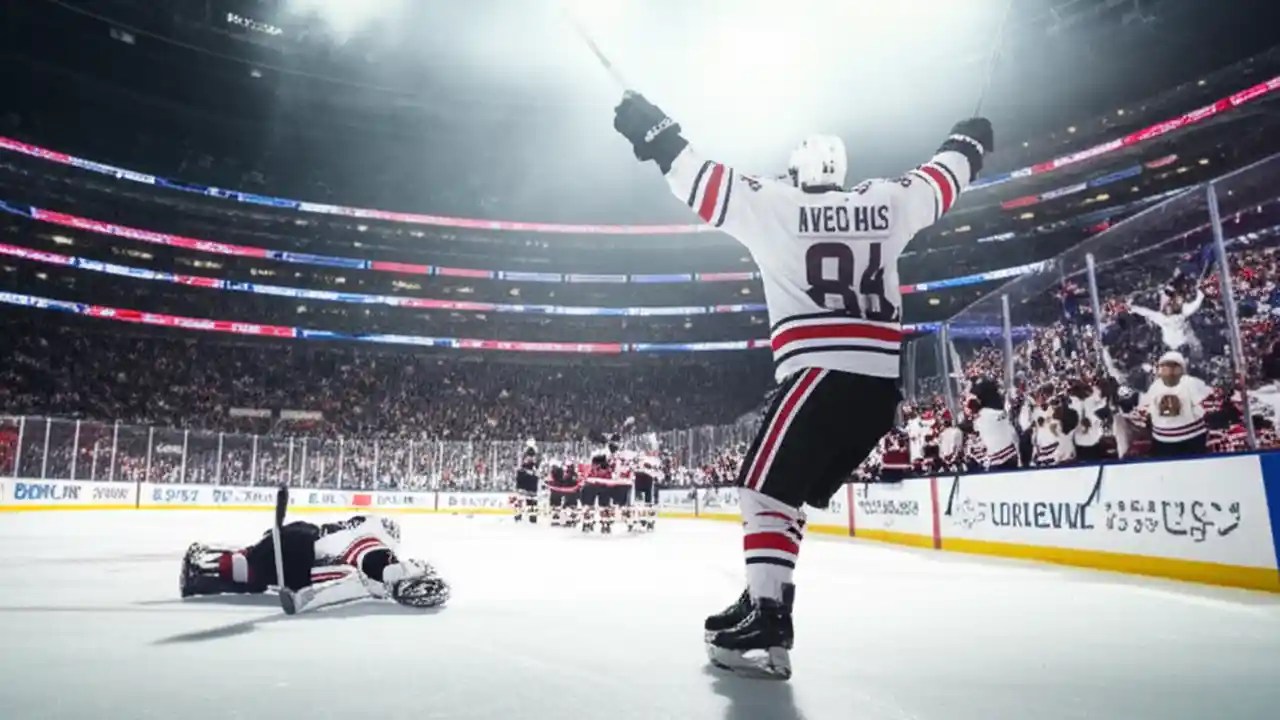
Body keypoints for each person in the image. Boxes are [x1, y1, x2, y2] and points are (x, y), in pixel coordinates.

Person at [612, 92, 991, 679]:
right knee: (780, 495)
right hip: (877, 389)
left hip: (819, 371)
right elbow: (942, 180)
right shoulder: (886, 202)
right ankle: (764, 600)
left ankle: (769, 614)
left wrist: (651, 129)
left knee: (761, 489)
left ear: (797, 171)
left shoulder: (776, 205)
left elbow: (698, 179)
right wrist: (969, 140)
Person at [179, 515, 449, 610]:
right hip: (301, 554)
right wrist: (403, 576)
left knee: (256, 570)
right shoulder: (373, 541)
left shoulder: (353, 533)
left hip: (298, 542)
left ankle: (206, 572)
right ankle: (208, 573)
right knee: (256, 571)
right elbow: (382, 566)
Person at [1143, 351, 1210, 456]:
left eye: (1173, 367)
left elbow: (1149, 411)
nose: (1170, 371)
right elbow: (1203, 405)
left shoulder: (1156, 386)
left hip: (1175, 437)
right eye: (1166, 367)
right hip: (1179, 437)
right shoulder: (1190, 382)